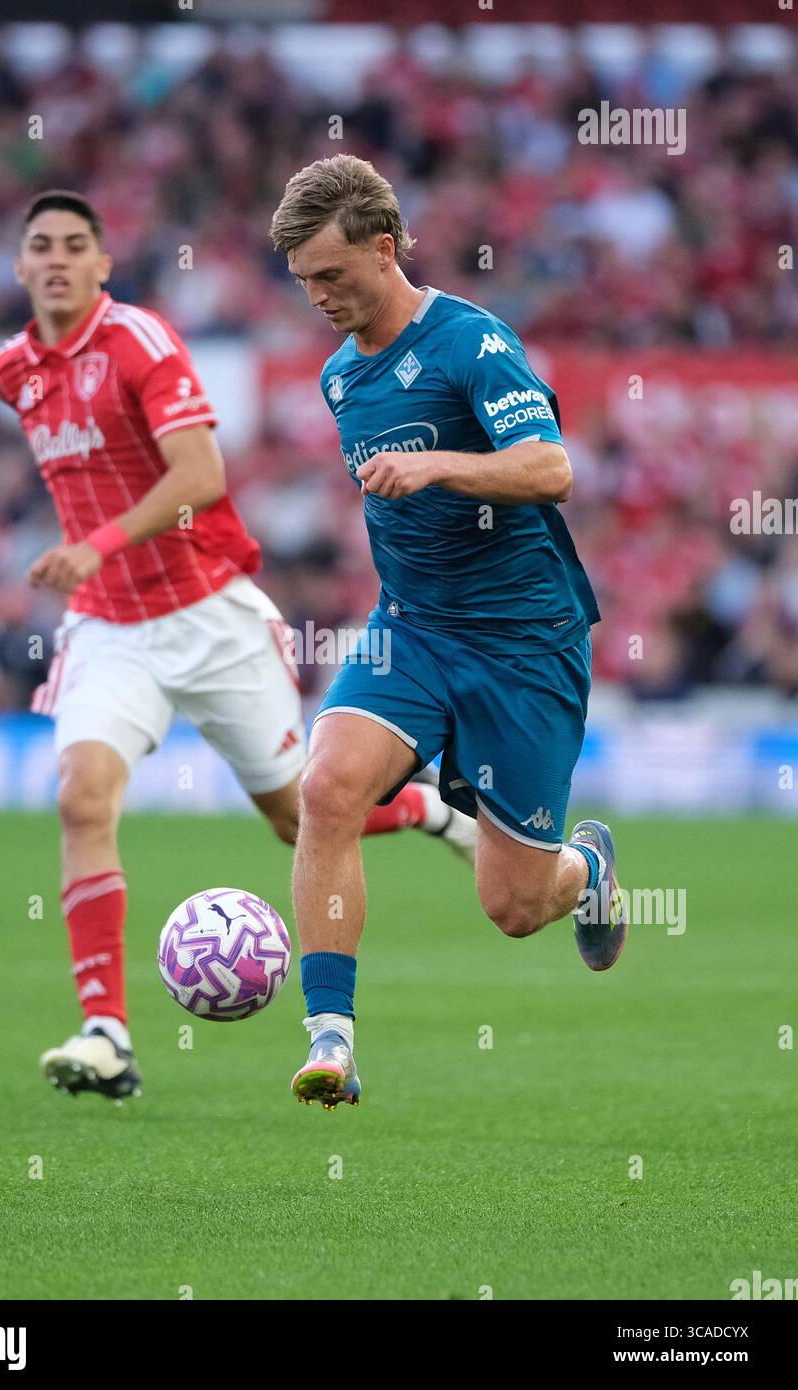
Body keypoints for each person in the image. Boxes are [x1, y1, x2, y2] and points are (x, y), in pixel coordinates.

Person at [0, 189, 474, 1101]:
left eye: (74, 245)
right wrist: (93, 564)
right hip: (107, 623)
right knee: (81, 798)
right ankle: (105, 1033)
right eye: (39, 246)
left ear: (101, 264)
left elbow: (200, 477)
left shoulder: (139, 342)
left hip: (210, 609)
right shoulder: (14, 370)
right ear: (19, 268)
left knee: (301, 820)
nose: (55, 259)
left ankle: (429, 811)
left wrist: (95, 542)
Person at [269, 155, 627, 1112]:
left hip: (523, 642)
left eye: (331, 275)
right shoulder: (340, 377)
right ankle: (331, 1043)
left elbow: (549, 469)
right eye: (303, 280)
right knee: (327, 786)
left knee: (512, 908)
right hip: (412, 631)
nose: (317, 297)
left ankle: (585, 867)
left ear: (384, 250)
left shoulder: (473, 342)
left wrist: (437, 468)